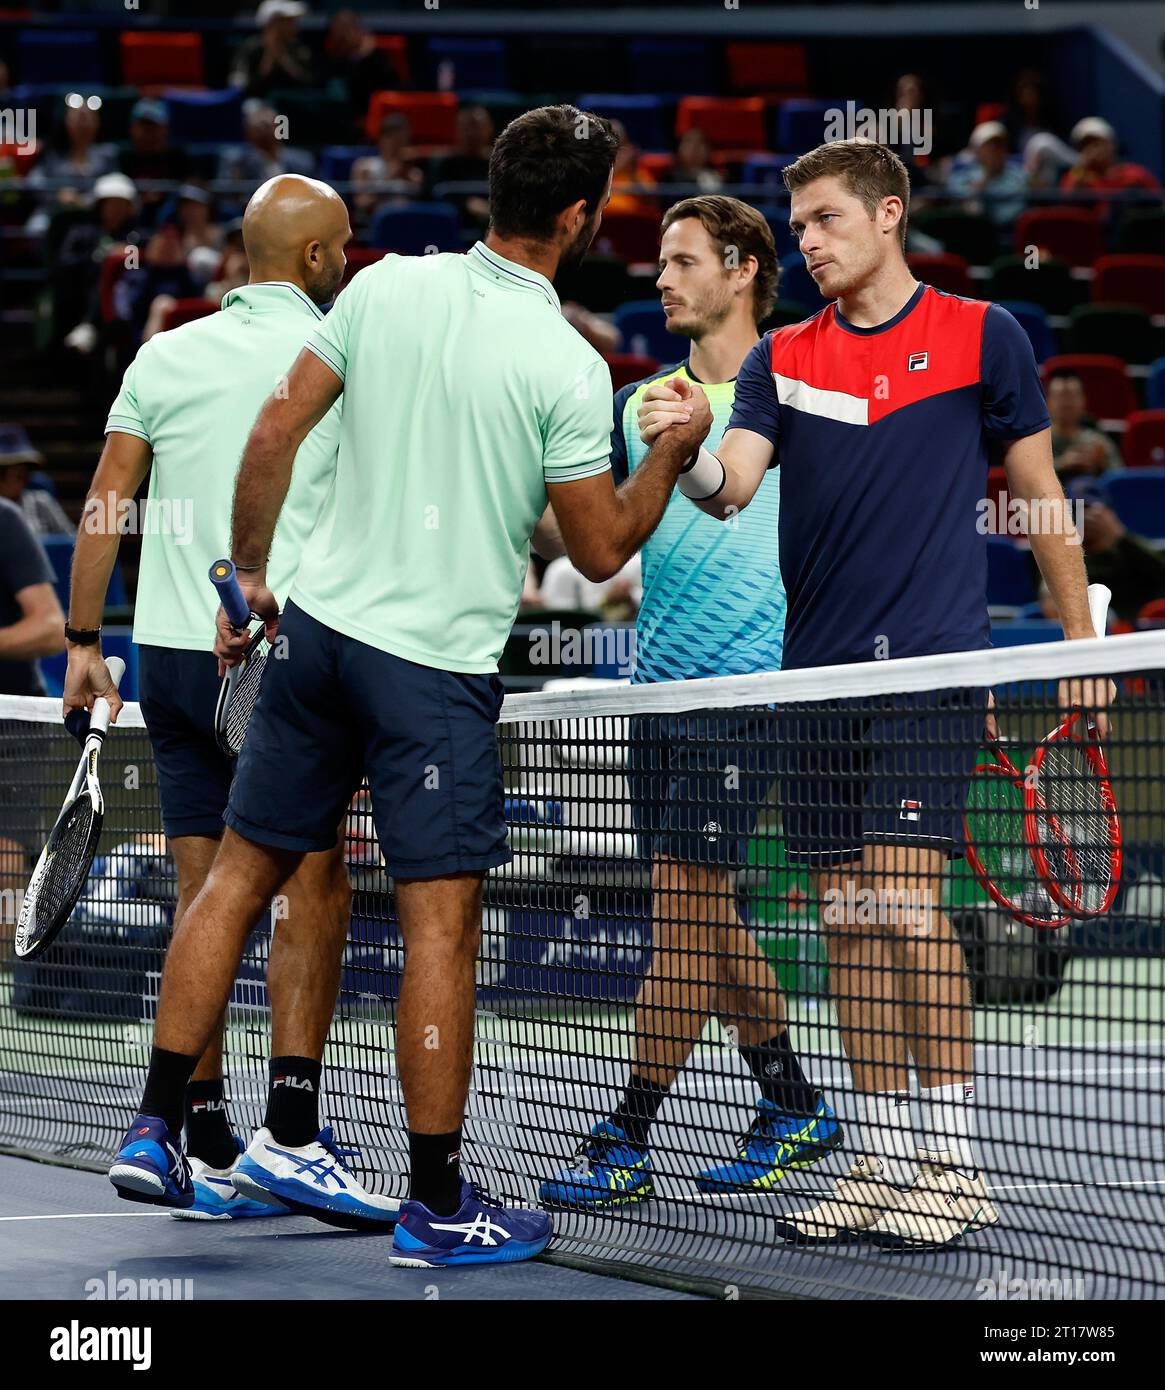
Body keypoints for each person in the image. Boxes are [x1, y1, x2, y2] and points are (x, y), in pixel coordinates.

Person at [108, 104, 712, 1269]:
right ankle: (436, 1201)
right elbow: (596, 551)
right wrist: (673, 455)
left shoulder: (380, 288)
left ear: (491, 191)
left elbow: (274, 434)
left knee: (237, 876)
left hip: (316, 637)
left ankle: (157, 1122)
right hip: (429, 673)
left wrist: (245, 587)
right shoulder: (569, 362)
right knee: (441, 922)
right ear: (580, 218)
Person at [638, 137, 1109, 1250]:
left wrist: (1076, 642)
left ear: (888, 215)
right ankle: (880, 1155)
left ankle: (951, 1161)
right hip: (818, 677)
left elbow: (1039, 496)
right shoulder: (781, 358)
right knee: (846, 923)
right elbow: (729, 488)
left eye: (824, 221)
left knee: (903, 905)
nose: (805, 242)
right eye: (795, 225)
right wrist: (695, 447)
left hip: (930, 669)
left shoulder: (983, 334)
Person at [72, 175, 395, 1227]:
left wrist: (84, 641)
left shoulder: (163, 350)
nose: (347, 258)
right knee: (314, 886)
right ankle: (290, 1133)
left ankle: (196, 1137)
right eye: (341, 244)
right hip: (276, 659)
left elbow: (106, 500)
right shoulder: (341, 353)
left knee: (205, 894)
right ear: (313, 259)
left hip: (162, 659)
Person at [539, 195, 838, 1212]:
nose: (657, 280)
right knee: (703, 915)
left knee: (680, 910)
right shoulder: (638, 404)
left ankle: (626, 1132)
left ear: (743, 265)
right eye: (657, 264)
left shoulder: (799, 388)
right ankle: (794, 1102)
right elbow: (597, 538)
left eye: (679, 262)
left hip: (748, 688)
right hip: (654, 689)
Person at [945, 121, 1029, 230]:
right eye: (989, 146)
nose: (994, 151)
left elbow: (1015, 211)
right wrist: (982, 184)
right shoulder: (961, 177)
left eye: (999, 146)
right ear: (976, 151)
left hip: (1010, 232)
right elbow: (964, 209)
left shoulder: (1020, 175)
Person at [118, 100, 189, 226]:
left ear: (165, 129)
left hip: (172, 223)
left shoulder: (178, 158)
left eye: (153, 126)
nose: (148, 132)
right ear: (132, 128)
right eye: (144, 126)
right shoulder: (123, 158)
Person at [218, 103, 315, 194]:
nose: (264, 131)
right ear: (248, 131)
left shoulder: (303, 160)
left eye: (268, 126)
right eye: (259, 127)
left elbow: (317, 194)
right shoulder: (236, 161)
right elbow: (229, 195)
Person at [231, 1, 314, 99]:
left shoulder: (298, 48)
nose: (294, 26)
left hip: (295, 102)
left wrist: (283, 57)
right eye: (287, 21)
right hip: (258, 104)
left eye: (293, 21)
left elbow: (309, 82)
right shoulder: (251, 48)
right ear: (271, 23)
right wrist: (268, 58)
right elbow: (240, 87)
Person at [1060, 117, 1160, 198]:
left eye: (1096, 144)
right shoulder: (1077, 177)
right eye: (1084, 146)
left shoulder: (1135, 175)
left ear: (1112, 145)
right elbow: (1067, 206)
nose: (1090, 150)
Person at [325, 9, 397, 120]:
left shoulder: (375, 59)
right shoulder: (328, 57)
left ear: (359, 30)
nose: (343, 35)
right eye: (337, 30)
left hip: (368, 118)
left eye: (347, 29)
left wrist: (361, 57)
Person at [1047, 371, 1120, 481]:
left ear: (1083, 400)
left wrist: (1102, 464)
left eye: (1072, 396)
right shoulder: (1038, 442)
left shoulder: (1098, 442)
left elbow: (1119, 477)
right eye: (1061, 396)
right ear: (1048, 402)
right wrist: (1062, 464)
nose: (1067, 402)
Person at [0, 426, 72, 536]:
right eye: (4, 473)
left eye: (22, 475)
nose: (16, 481)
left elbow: (70, 541)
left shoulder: (41, 502)